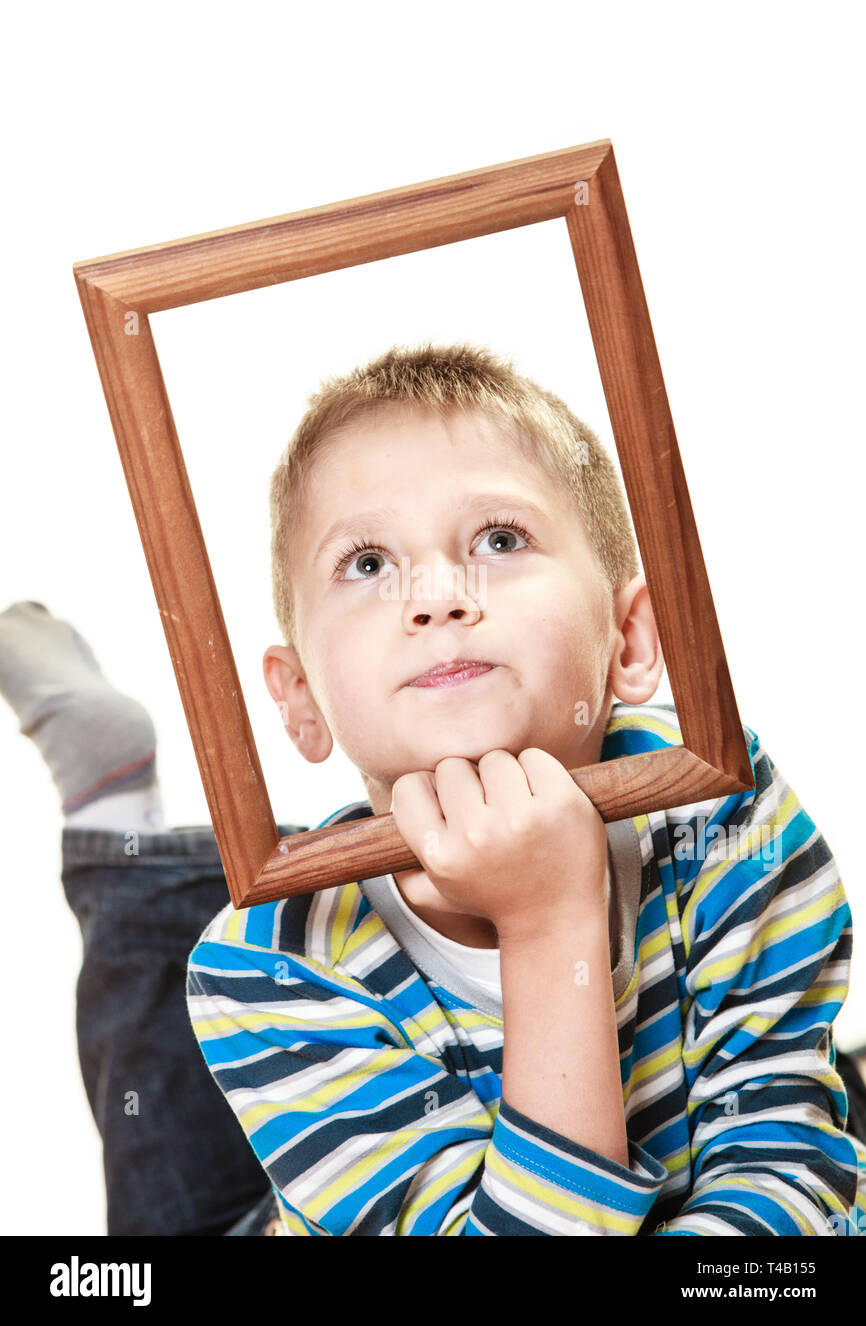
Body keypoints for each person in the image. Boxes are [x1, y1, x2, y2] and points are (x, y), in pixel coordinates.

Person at [3, 342, 865, 1236]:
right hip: (336, 1149)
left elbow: (783, 1167)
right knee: (170, 1210)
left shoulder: (716, 806)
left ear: (631, 639)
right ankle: (115, 807)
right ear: (301, 700)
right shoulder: (261, 970)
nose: (436, 595)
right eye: (369, 563)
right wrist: (547, 922)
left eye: (499, 539)